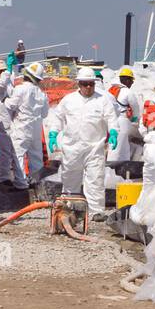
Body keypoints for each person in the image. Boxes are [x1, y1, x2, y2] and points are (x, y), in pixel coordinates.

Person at [47, 67, 115, 217]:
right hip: (72, 148)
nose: (88, 87)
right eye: (85, 84)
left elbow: (111, 118)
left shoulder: (103, 100)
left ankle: (96, 212)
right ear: (79, 84)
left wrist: (114, 131)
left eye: (91, 84)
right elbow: (58, 118)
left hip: (94, 147)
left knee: (95, 180)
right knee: (70, 178)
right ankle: (70, 208)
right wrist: (53, 133)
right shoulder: (69, 100)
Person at [4, 61, 49, 190]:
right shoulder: (42, 94)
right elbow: (45, 114)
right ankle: (37, 184)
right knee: (36, 157)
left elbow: (10, 105)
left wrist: (5, 99)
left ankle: (21, 184)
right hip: (35, 129)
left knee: (18, 156)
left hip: (21, 127)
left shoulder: (20, 89)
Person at [0, 58, 20, 187]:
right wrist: (8, 70)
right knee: (5, 150)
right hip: (1, 123)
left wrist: (11, 69)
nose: (2, 73)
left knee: (3, 151)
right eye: (0, 71)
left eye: (3, 71)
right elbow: (1, 84)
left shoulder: (6, 84)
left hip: (6, 121)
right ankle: (4, 178)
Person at [106, 66, 140, 165]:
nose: (132, 83)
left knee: (124, 146)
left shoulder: (111, 89)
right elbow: (135, 107)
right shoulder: (127, 91)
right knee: (118, 145)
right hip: (122, 120)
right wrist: (135, 117)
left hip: (111, 119)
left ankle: (125, 165)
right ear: (126, 80)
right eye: (131, 81)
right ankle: (112, 167)